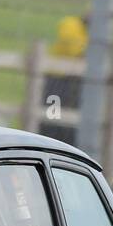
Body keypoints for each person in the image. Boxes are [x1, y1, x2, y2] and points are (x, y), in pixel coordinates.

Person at [40, 13, 87, 144]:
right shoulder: (71, 24)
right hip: (58, 82)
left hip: (77, 86)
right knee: (51, 121)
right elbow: (76, 52)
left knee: (71, 127)